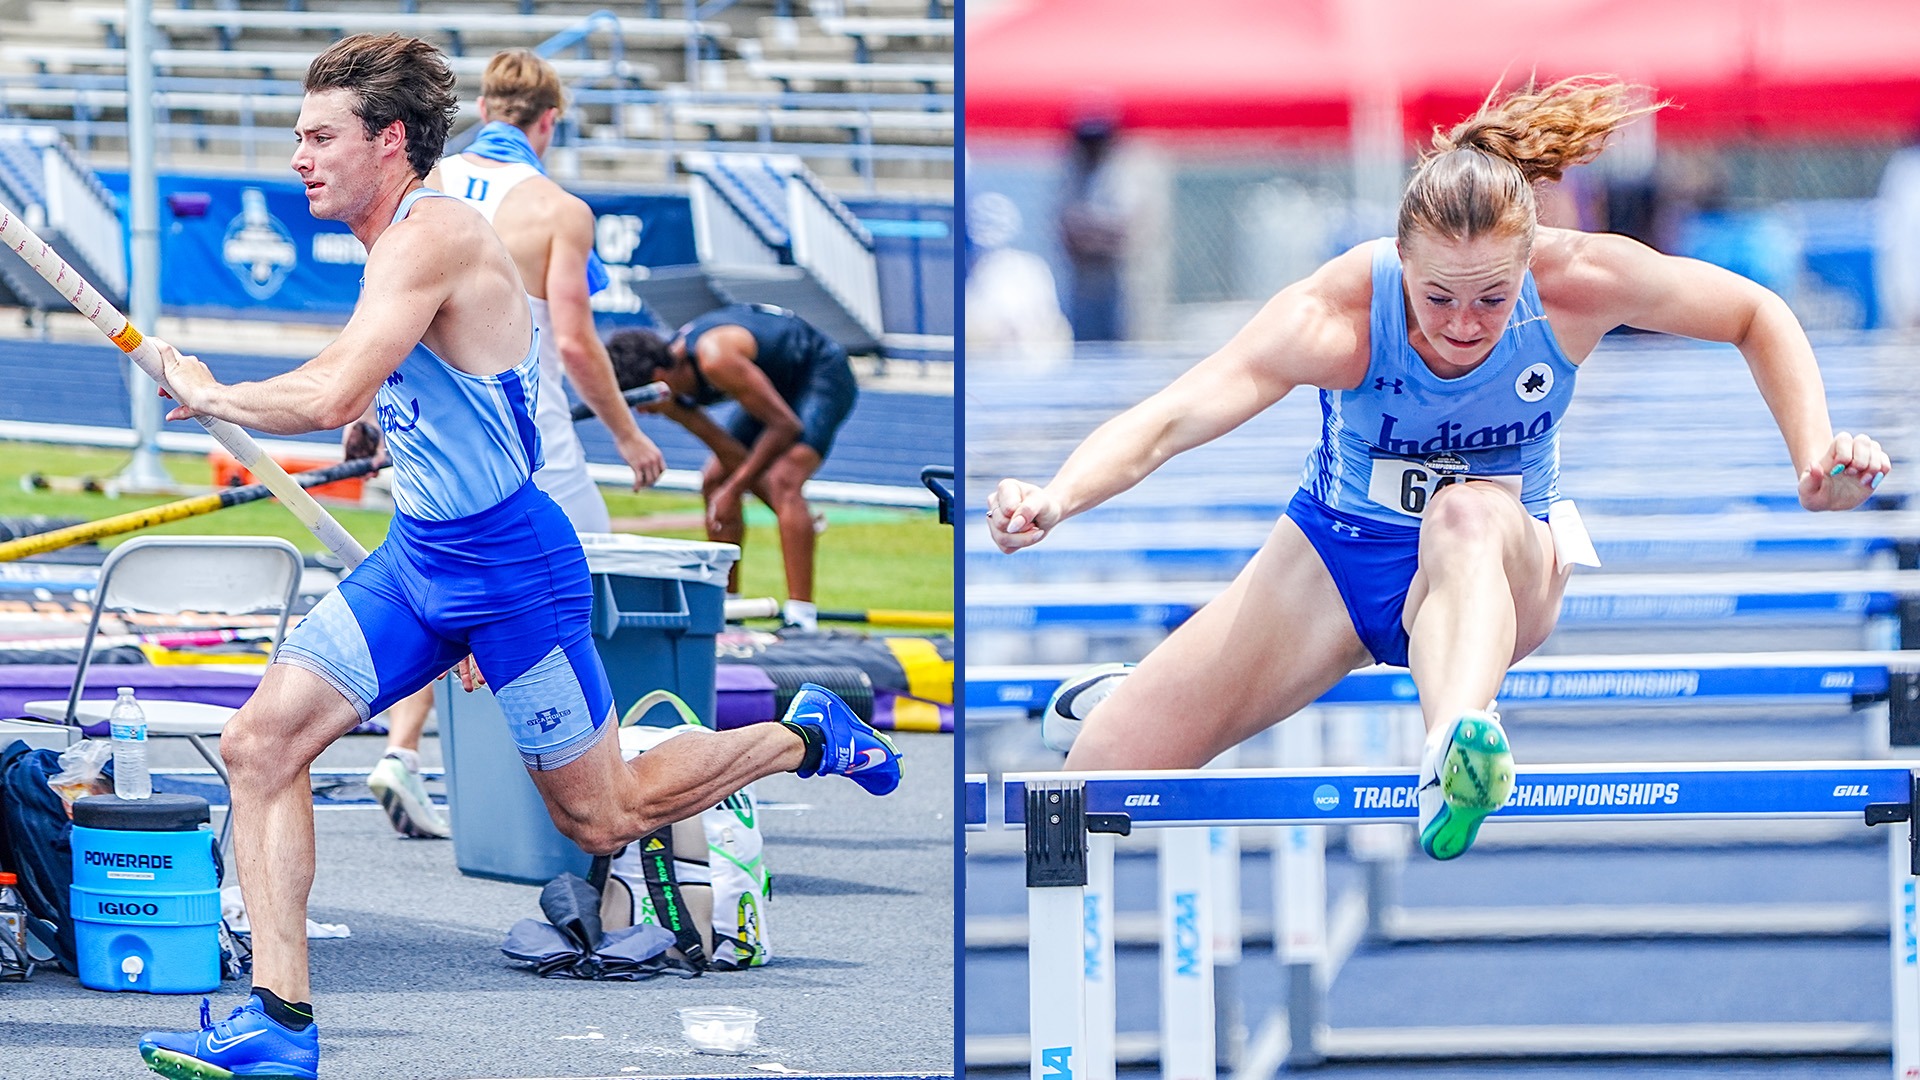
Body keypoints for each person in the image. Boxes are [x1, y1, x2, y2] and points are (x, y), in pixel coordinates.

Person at [134, 35, 900, 1080]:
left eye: (319, 137)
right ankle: (279, 1024)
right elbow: (390, 399)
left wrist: (215, 393)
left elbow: (336, 393)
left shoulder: (432, 233)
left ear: (389, 141)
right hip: (420, 561)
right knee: (260, 748)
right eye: (297, 138)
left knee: (602, 815)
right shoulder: (389, 240)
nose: (298, 159)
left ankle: (803, 735)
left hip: (513, 570)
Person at [988, 76, 1890, 864]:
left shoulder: (1575, 281)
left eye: (1493, 299)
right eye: (1439, 299)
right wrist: (1057, 495)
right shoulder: (1335, 314)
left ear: (1528, 264)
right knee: (1092, 780)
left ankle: (1457, 746)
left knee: (1463, 512)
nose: (1465, 324)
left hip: (1498, 564)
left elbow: (1755, 313)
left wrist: (1815, 454)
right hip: (1336, 558)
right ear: (1401, 265)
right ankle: (1135, 697)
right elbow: (1172, 416)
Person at [360, 47, 669, 841]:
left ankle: (404, 751)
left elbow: (383, 304)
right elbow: (573, 343)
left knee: (436, 588)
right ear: (548, 121)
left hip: (426, 426)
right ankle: (594, 787)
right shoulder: (556, 208)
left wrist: (364, 400)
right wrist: (630, 435)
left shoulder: (423, 187)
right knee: (583, 600)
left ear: (486, 112)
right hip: (526, 437)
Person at [605, 304, 858, 630]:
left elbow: (786, 427)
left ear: (658, 379)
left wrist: (738, 489)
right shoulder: (668, 393)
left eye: (638, 401)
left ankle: (801, 617)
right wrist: (731, 490)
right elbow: (726, 450)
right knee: (712, 481)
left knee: (784, 481)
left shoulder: (716, 358)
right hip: (773, 386)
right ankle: (728, 607)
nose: (640, 413)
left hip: (818, 372)